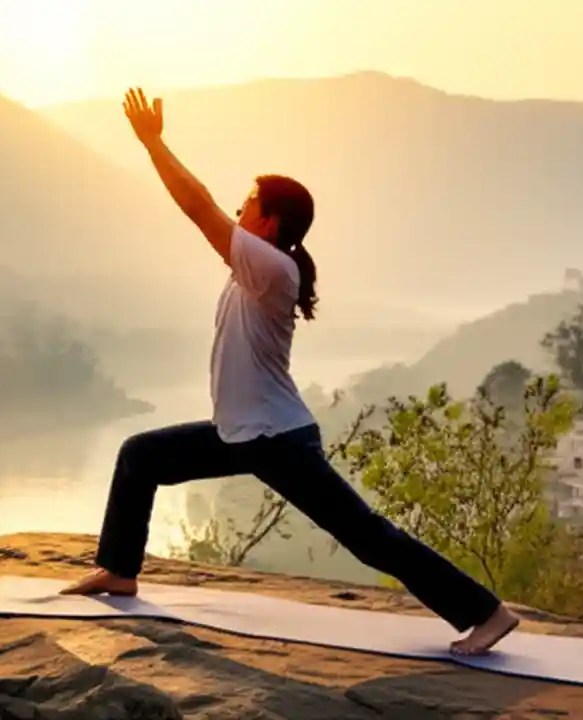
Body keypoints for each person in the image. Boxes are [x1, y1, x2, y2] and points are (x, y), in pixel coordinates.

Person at [60, 88, 520, 656]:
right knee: (140, 456)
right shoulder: (258, 267)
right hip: (242, 432)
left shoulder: (271, 267)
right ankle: (119, 570)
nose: (237, 211)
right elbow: (210, 214)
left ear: (272, 222)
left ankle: (486, 612)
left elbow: (196, 205)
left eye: (248, 203)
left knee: (365, 535)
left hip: (277, 440)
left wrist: (153, 144)